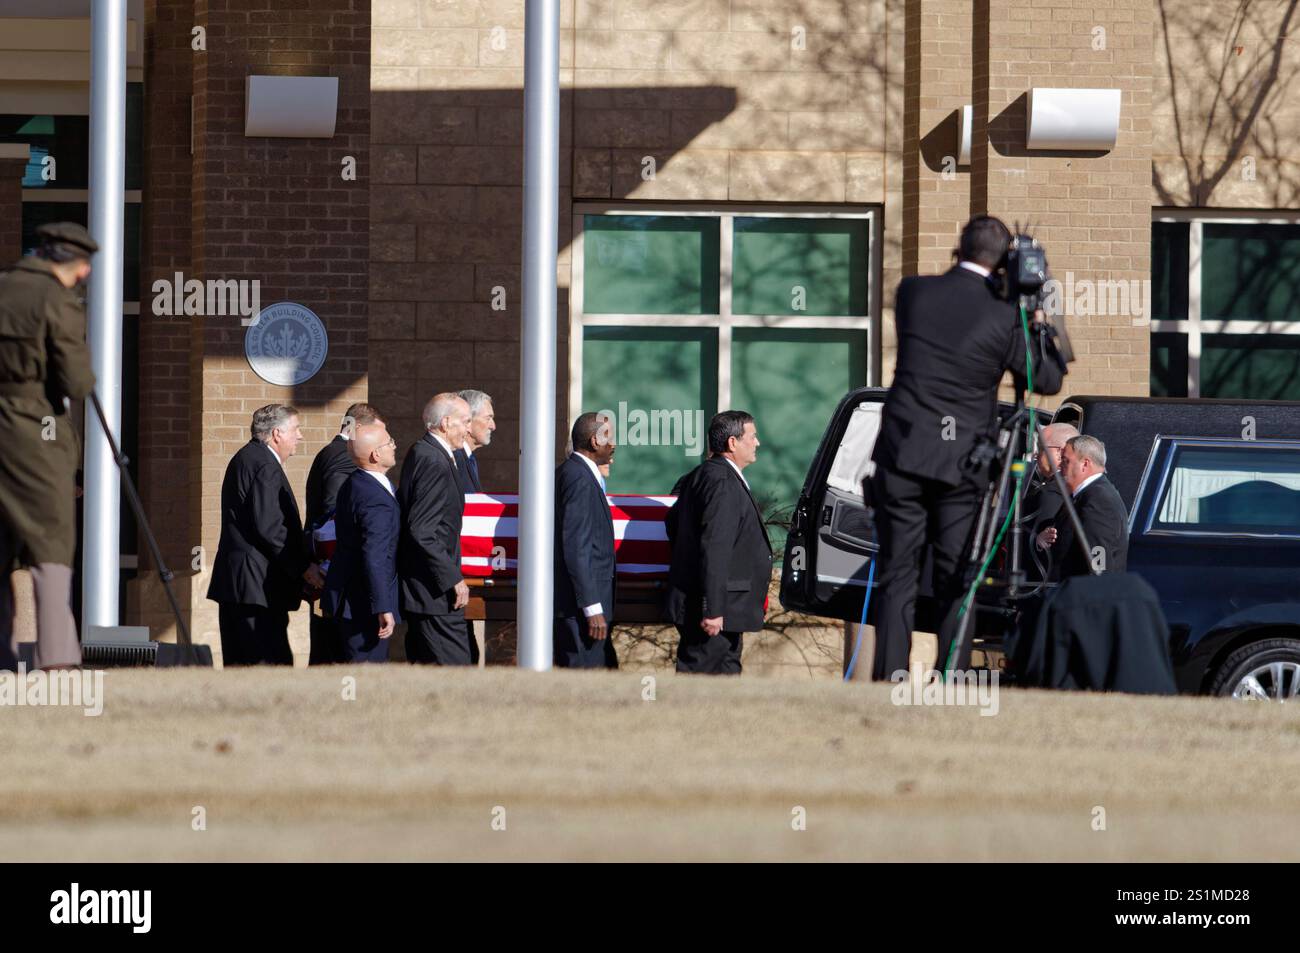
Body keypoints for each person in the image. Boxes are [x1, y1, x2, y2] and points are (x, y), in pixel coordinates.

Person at [868, 215, 1066, 680]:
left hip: (903, 454)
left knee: (898, 574)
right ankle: (952, 676)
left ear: (959, 249)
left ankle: (887, 679)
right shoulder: (1006, 315)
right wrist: (1037, 311)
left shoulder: (913, 293)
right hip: (962, 464)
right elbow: (1049, 379)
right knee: (960, 577)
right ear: (1004, 263)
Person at [0, 222, 97, 670]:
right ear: (65, 262)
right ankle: (57, 656)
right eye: (82, 268)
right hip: (31, 427)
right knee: (51, 536)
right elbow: (76, 381)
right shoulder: (54, 300)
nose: (84, 277)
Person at [207, 404, 326, 666]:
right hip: (256, 588)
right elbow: (270, 527)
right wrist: (304, 568)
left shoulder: (249, 458)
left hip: (244, 586)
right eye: (295, 429)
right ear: (276, 434)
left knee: (243, 665)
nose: (300, 436)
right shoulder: (264, 464)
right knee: (266, 665)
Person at [665, 411, 773, 675]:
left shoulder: (701, 476)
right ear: (732, 443)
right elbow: (715, 547)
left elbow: (673, 522)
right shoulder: (722, 482)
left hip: (724, 609)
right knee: (701, 686)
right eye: (753, 436)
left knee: (724, 686)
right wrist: (712, 609)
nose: (757, 442)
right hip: (715, 612)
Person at [398, 393, 476, 665]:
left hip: (428, 592)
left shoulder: (429, 453)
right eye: (465, 421)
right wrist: (453, 577)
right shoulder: (432, 459)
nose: (469, 429)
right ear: (445, 422)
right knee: (455, 672)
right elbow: (422, 529)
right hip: (434, 593)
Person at [304, 402, 383, 664]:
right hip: (337, 572)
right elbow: (333, 514)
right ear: (358, 428)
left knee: (327, 650)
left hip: (329, 571)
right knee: (337, 652)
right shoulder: (342, 455)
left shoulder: (329, 451)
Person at [322, 420, 400, 662]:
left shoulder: (358, 482)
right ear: (376, 454)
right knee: (366, 677)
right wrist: (382, 606)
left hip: (350, 597)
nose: (394, 446)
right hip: (362, 605)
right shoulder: (372, 497)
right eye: (390, 442)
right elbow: (374, 554)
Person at [553, 412, 618, 669]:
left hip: (579, 604)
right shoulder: (579, 478)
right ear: (594, 441)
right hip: (581, 608)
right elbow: (576, 547)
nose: (614, 444)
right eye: (609, 438)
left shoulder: (575, 473)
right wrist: (592, 607)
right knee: (583, 678)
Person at [1037, 434, 1128, 578]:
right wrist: (1042, 541)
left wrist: (1090, 595)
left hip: (1082, 596)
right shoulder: (1085, 495)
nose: (1060, 466)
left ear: (1085, 464)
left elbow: (1099, 563)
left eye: (1066, 461)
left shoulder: (1099, 500)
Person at [453, 389, 495, 494]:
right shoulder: (452, 460)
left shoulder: (468, 458)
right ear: (468, 421)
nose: (493, 426)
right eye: (488, 418)